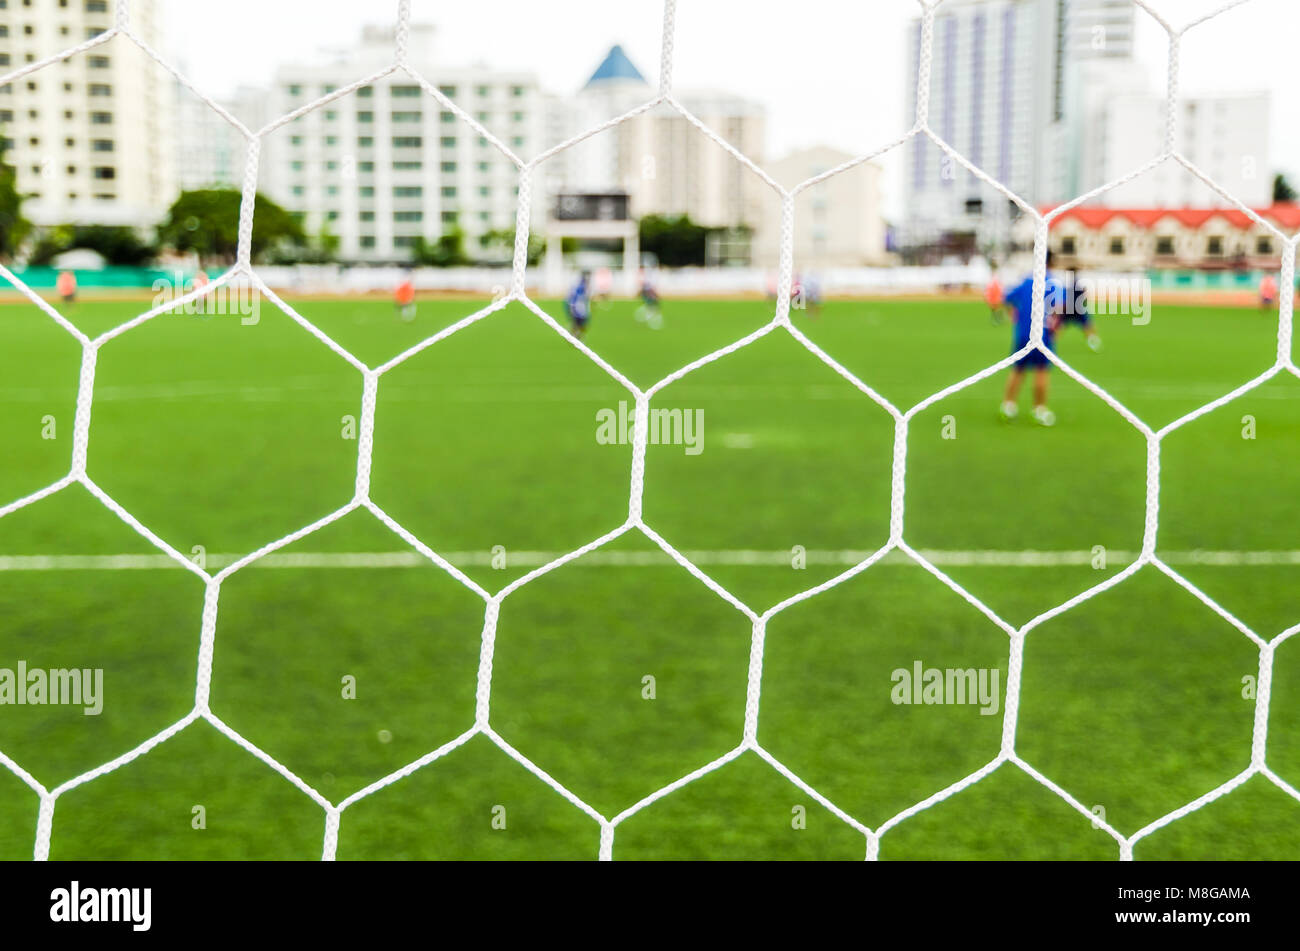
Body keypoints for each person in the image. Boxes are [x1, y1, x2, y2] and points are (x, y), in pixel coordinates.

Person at [999, 252, 1065, 427]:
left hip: (1023, 334)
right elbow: (1058, 309)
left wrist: (1013, 314)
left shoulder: (1027, 280)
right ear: (1052, 262)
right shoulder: (1054, 282)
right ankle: (1039, 409)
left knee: (1018, 369)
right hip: (1042, 335)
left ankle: (1008, 406)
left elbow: (1006, 298)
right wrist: (1057, 328)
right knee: (1041, 371)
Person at [1059, 268, 1102, 351]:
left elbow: (1064, 299)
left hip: (1069, 310)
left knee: (1059, 327)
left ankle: (1049, 343)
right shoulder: (1078, 286)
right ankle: (1094, 344)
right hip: (1078, 310)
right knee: (1088, 326)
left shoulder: (1068, 286)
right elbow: (1083, 298)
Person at [565, 271, 592, 338]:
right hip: (577, 309)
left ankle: (577, 335)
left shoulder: (583, 287)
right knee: (577, 324)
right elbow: (573, 298)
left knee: (583, 324)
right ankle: (572, 335)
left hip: (582, 309)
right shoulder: (579, 287)